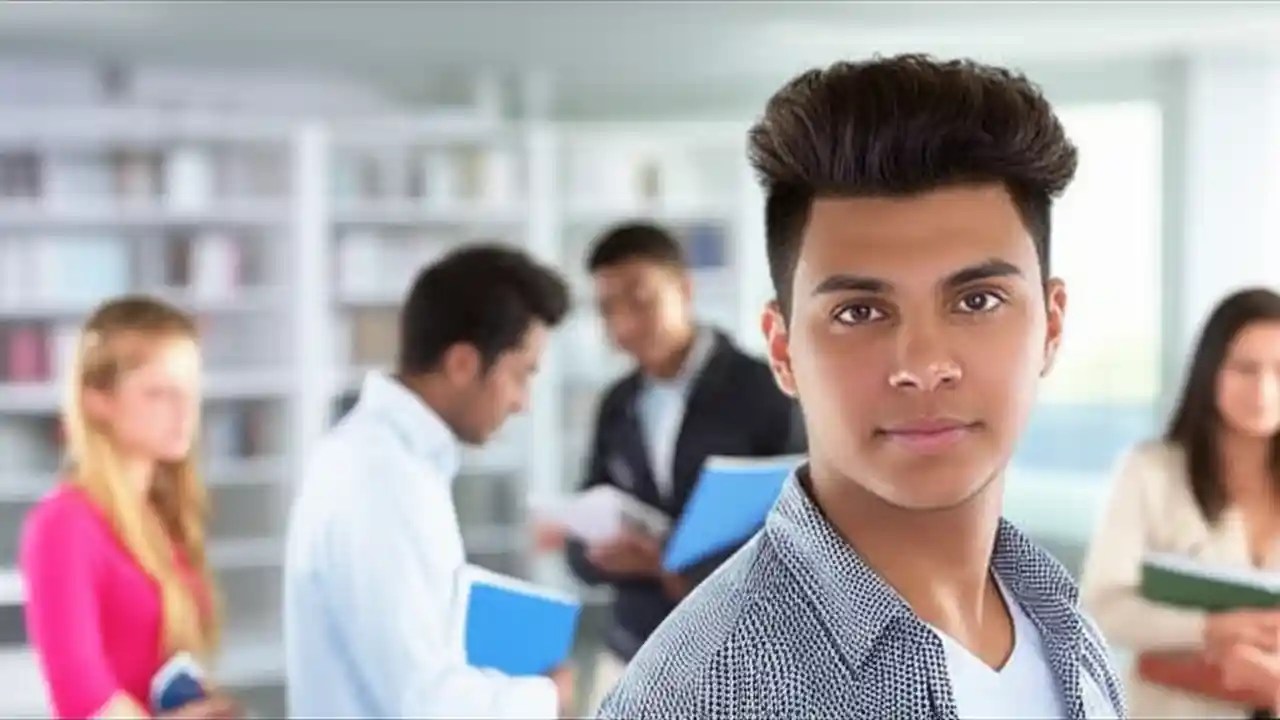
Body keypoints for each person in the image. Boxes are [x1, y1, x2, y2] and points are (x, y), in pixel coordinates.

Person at [596, 54, 1126, 719]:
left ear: (1050, 325)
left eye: (978, 301)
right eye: (859, 312)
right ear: (783, 349)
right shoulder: (701, 694)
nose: (924, 363)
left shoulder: (1067, 629)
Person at [283, 245, 575, 718]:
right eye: (521, 376)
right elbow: (423, 703)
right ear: (462, 363)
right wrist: (547, 698)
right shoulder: (380, 479)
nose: (523, 403)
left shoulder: (396, 460)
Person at [558, 222, 805, 710]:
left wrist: (674, 566)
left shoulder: (765, 389)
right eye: (608, 309)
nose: (623, 323)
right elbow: (580, 531)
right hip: (635, 649)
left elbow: (807, 527)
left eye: (641, 300)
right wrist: (596, 553)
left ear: (685, 290)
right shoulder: (617, 403)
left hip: (738, 653)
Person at [19, 296, 241, 719]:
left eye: (191, 392)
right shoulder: (63, 524)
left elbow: (161, 670)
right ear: (97, 400)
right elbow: (84, 699)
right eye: (159, 393)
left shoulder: (162, 514)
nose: (185, 413)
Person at [1081, 287, 1280, 718]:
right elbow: (1102, 608)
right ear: (1210, 371)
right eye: (1245, 369)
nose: (1263, 390)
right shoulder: (1150, 472)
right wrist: (1210, 629)